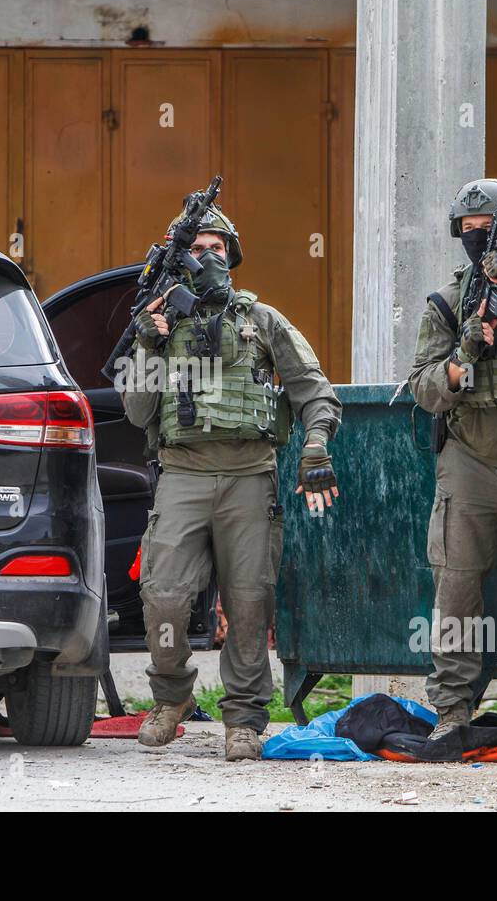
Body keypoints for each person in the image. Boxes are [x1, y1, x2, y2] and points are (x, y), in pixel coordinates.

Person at [119, 205, 342, 760]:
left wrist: (316, 446)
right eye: (198, 248)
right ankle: (170, 699)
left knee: (249, 601)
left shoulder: (261, 321)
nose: (209, 257)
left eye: (218, 248)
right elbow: (136, 411)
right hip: (183, 477)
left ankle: (244, 716)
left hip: (249, 478)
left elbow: (315, 391)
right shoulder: (158, 325)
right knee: (163, 596)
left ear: (233, 256)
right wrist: (148, 342)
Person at [407, 177, 497, 739]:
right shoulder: (449, 300)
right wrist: (462, 365)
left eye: (487, 228)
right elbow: (422, 385)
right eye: (467, 231)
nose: (477, 237)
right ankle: (453, 709)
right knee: (457, 585)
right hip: (471, 461)